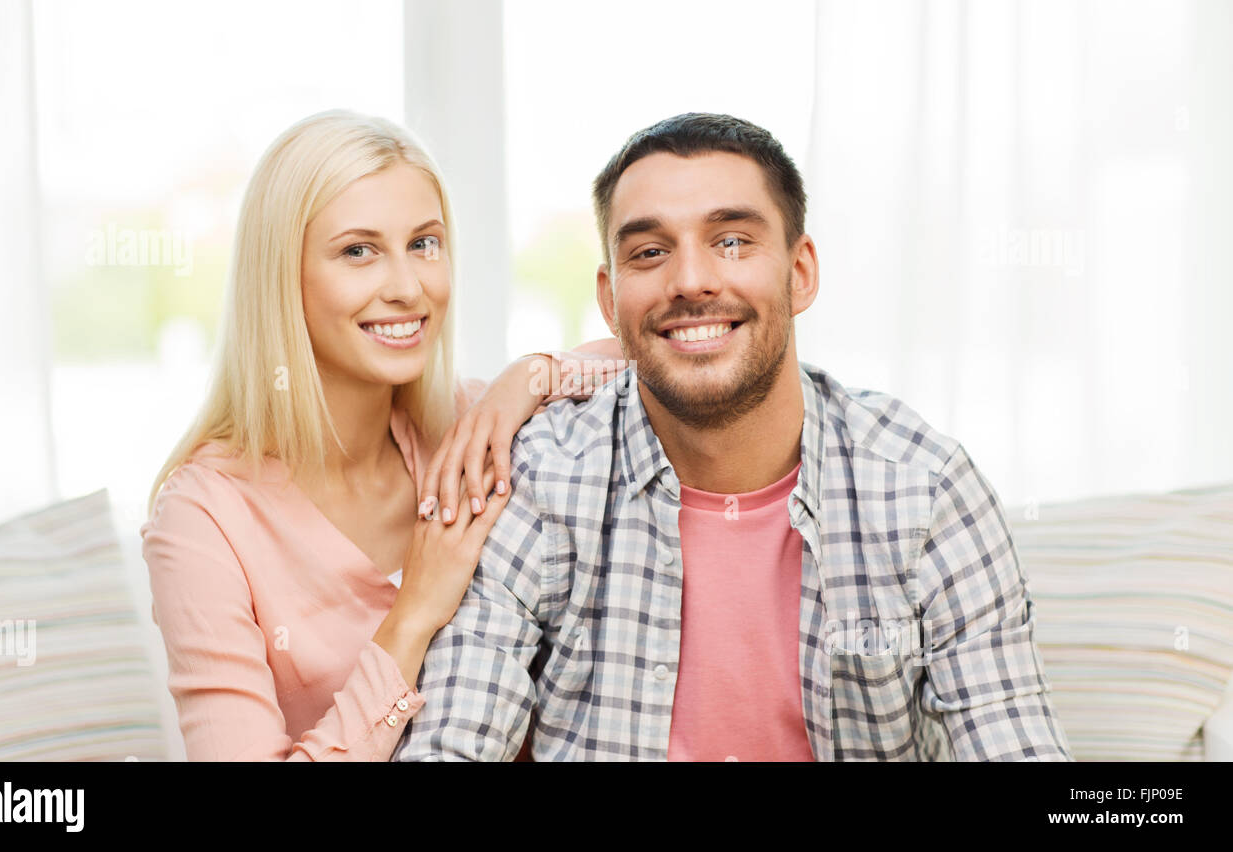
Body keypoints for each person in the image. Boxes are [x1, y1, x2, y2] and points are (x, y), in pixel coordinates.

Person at [394, 112, 1074, 761]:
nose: (691, 281)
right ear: (610, 299)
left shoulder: (923, 489)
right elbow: (452, 742)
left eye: (732, 241)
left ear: (799, 271)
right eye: (651, 252)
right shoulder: (541, 482)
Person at [141, 109, 622, 761]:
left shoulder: (476, 423)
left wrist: (532, 376)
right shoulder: (202, 519)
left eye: (424, 243)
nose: (406, 287)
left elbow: (679, 361)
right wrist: (414, 615)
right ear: (281, 278)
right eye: (358, 251)